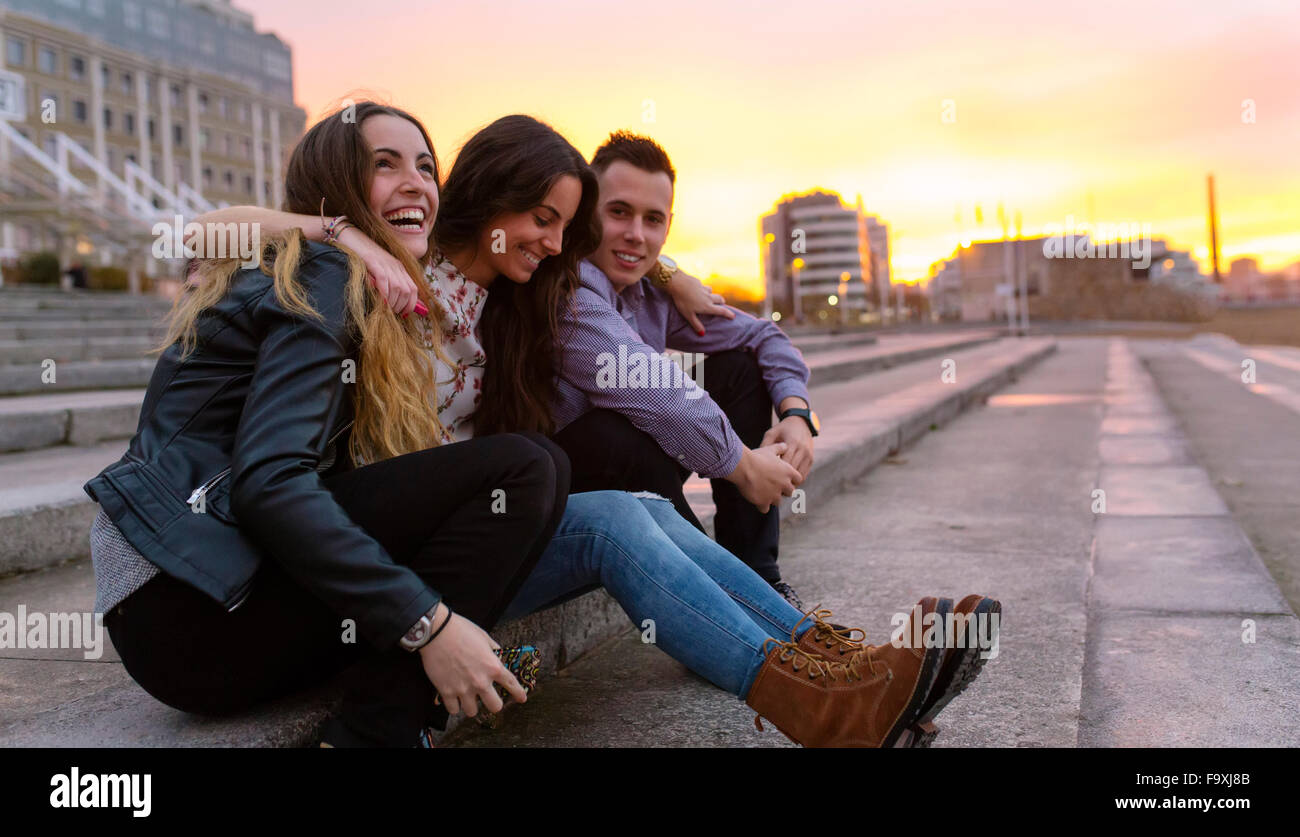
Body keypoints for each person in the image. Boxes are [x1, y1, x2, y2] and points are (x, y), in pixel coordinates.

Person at [198, 110, 997, 747]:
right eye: (542, 218)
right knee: (608, 506)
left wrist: (670, 271)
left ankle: (831, 662)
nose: (552, 241)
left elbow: (619, 268)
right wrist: (332, 232)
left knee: (635, 508)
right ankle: (820, 707)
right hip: (374, 555)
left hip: (456, 538)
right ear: (493, 195)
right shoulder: (387, 260)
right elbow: (205, 232)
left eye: (562, 227)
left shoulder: (519, 299)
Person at [84, 102, 573, 748]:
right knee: (526, 467)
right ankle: (377, 730)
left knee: (537, 466)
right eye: (385, 163)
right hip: (186, 605)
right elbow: (270, 484)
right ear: (335, 188)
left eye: (427, 167)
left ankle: (383, 722)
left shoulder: (364, 293)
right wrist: (430, 622)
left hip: (205, 610)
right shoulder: (319, 270)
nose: (416, 182)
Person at [552, 131, 815, 607]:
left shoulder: (654, 293)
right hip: (566, 481)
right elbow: (651, 387)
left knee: (739, 368)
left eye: (653, 220)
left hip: (639, 462)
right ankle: (728, 596)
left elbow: (762, 336)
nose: (636, 234)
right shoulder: (566, 289)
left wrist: (796, 414)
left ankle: (758, 575)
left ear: (668, 227)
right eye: (619, 212)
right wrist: (745, 464)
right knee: (621, 433)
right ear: (587, 209)